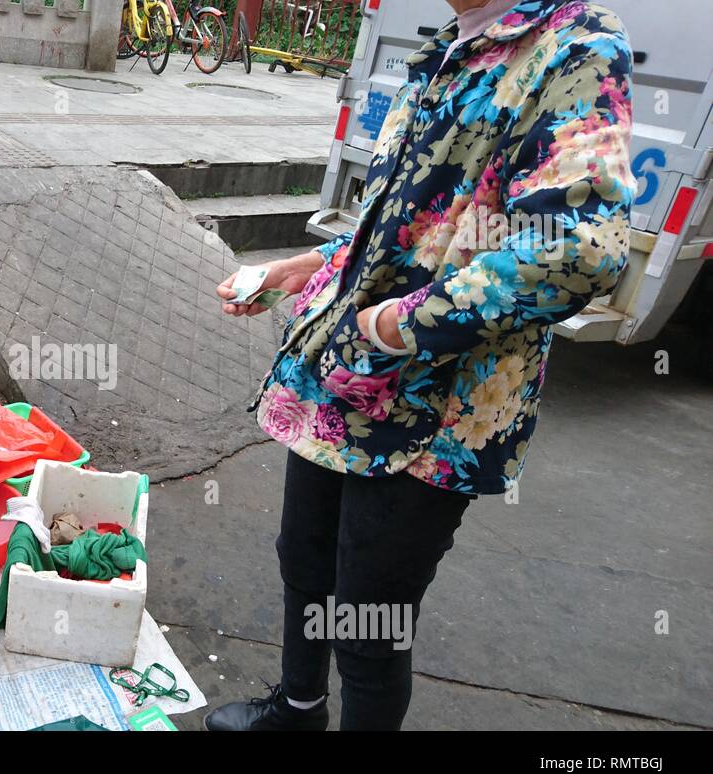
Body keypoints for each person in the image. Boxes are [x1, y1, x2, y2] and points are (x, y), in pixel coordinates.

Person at [207, 0, 634, 730]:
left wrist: (396, 325)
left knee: (369, 621)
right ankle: (299, 707)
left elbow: (578, 251)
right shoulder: (444, 51)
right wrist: (302, 268)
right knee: (304, 560)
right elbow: (398, 228)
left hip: (439, 411)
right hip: (340, 381)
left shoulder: (576, 46)